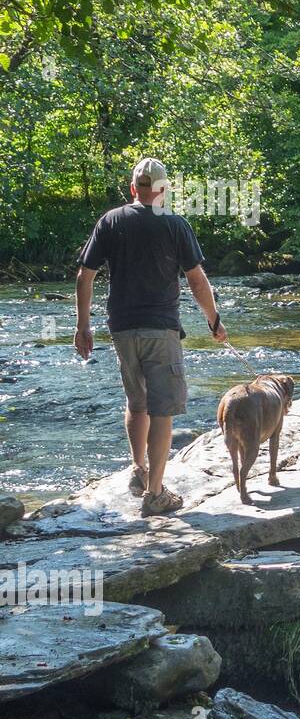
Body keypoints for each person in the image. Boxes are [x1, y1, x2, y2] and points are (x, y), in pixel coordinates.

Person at [74, 157, 227, 517]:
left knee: (136, 401)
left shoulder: (110, 221)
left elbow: (85, 275)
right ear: (163, 191)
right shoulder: (175, 224)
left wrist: (83, 326)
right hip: (161, 328)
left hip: (122, 327)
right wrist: (213, 320)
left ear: (133, 189)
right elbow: (196, 280)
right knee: (163, 409)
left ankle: (138, 469)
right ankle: (155, 493)